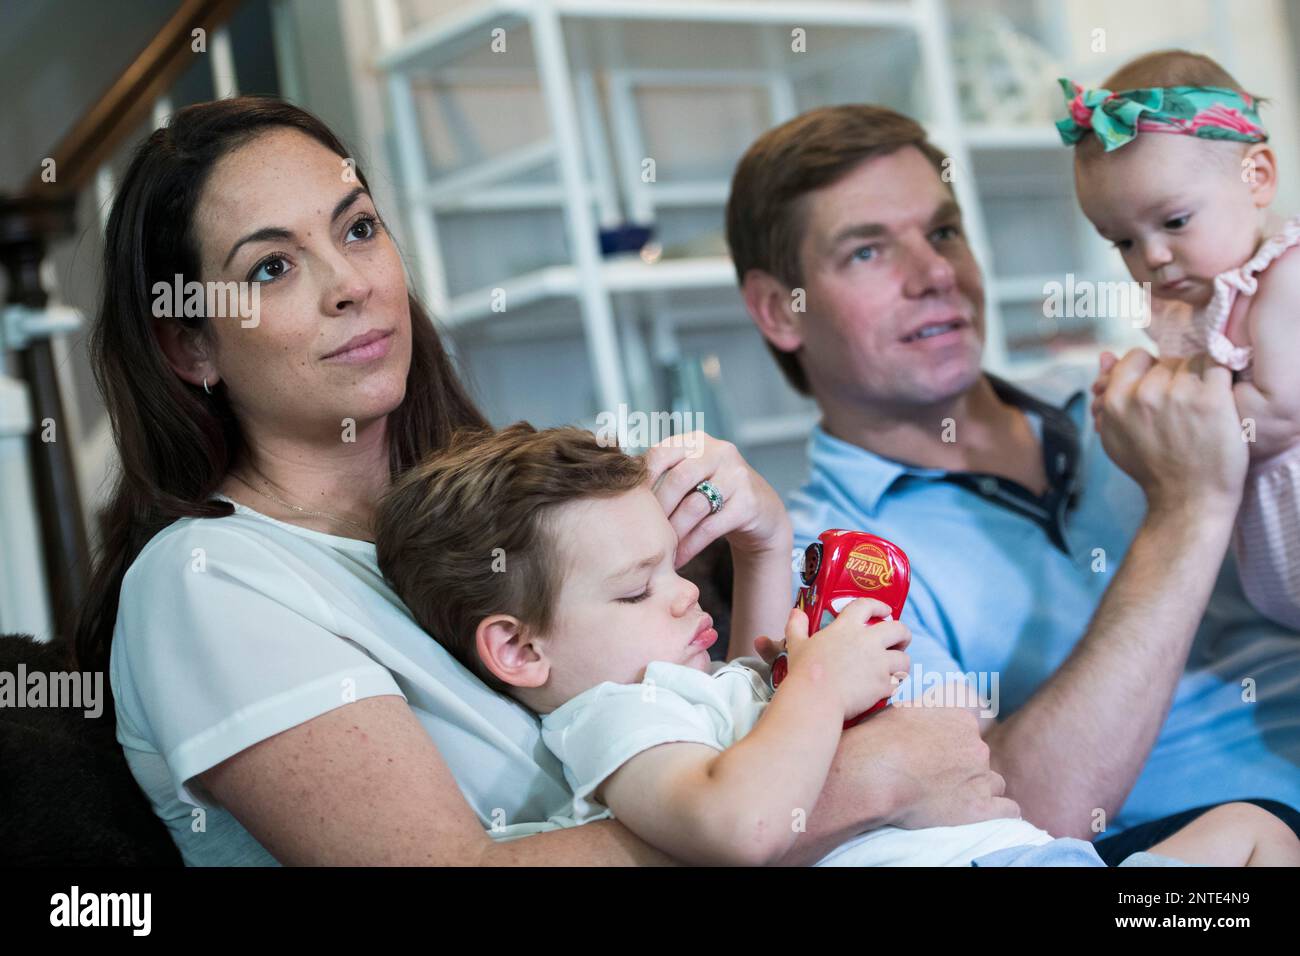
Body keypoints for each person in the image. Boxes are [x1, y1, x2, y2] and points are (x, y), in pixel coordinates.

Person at [71, 95, 1013, 866]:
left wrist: (763, 540)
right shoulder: (210, 581)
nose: (349, 283)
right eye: (273, 266)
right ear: (189, 341)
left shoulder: (483, 517)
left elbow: (713, 723)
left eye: (358, 229)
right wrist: (864, 782)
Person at [725, 102, 1300, 863]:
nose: (934, 274)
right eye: (867, 252)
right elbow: (1006, 819)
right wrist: (1186, 510)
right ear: (778, 310)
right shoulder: (832, 564)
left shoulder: (1134, 395)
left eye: (943, 232)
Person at [373, 422, 1300, 867]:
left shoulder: (693, 689)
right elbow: (736, 828)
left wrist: (774, 565)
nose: (683, 595)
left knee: (1253, 836)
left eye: (672, 566)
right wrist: (817, 685)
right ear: (520, 652)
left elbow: (764, 663)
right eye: (635, 588)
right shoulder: (617, 720)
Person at [1061, 49, 1300, 630]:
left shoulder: (1283, 276)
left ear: (1257, 178)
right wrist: (1130, 398)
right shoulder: (1182, 304)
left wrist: (1161, 416)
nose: (1154, 257)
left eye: (1173, 222)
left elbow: (1281, 409)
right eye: (1123, 242)